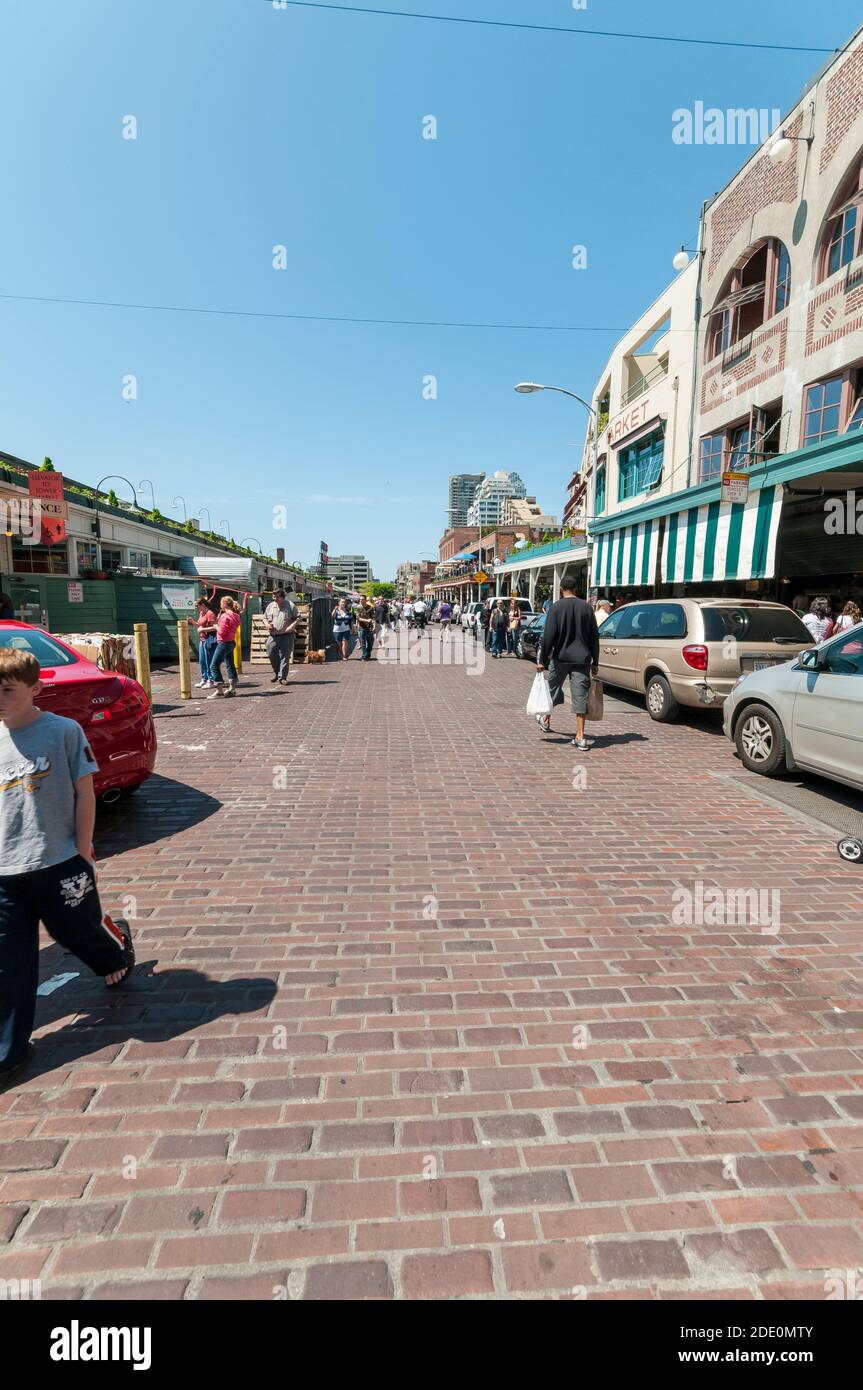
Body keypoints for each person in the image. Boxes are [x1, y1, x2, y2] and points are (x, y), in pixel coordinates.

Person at [0, 649, 135, 1085]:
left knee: (74, 931)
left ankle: (114, 952)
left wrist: (83, 845)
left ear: (35, 689)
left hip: (58, 860)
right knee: (9, 961)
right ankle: (9, 1051)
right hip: (5, 870)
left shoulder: (62, 732)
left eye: (7, 690)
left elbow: (84, 790)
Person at [536, 572, 600, 751]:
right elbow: (594, 637)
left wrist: (542, 659)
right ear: (576, 589)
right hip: (582, 658)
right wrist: (596, 661)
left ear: (562, 589)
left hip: (560, 657)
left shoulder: (556, 608)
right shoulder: (587, 608)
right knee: (580, 695)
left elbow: (549, 636)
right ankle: (580, 736)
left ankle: (546, 719)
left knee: (552, 689)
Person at [207, 596, 242, 698]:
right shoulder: (236, 616)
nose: (220, 605)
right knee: (230, 665)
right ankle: (232, 689)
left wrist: (215, 626)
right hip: (231, 642)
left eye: (221, 603)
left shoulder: (225, 616)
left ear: (225, 604)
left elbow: (222, 632)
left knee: (213, 666)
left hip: (223, 643)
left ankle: (219, 691)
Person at [265, 588, 300, 686]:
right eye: (273, 596)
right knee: (271, 653)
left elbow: (298, 617)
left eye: (277, 597)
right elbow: (265, 618)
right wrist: (267, 624)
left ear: (282, 597)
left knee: (285, 656)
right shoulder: (270, 606)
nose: (275, 599)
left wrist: (291, 626)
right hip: (273, 635)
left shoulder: (290, 605)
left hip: (287, 635)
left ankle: (282, 677)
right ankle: (277, 673)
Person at [193, 596, 218, 689]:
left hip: (209, 639)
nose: (197, 608)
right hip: (202, 640)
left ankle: (211, 680)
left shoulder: (210, 613)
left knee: (209, 661)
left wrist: (202, 629)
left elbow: (215, 627)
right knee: (202, 661)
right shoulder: (201, 613)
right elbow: (199, 626)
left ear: (203, 605)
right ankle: (204, 679)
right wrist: (192, 622)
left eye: (197, 606)